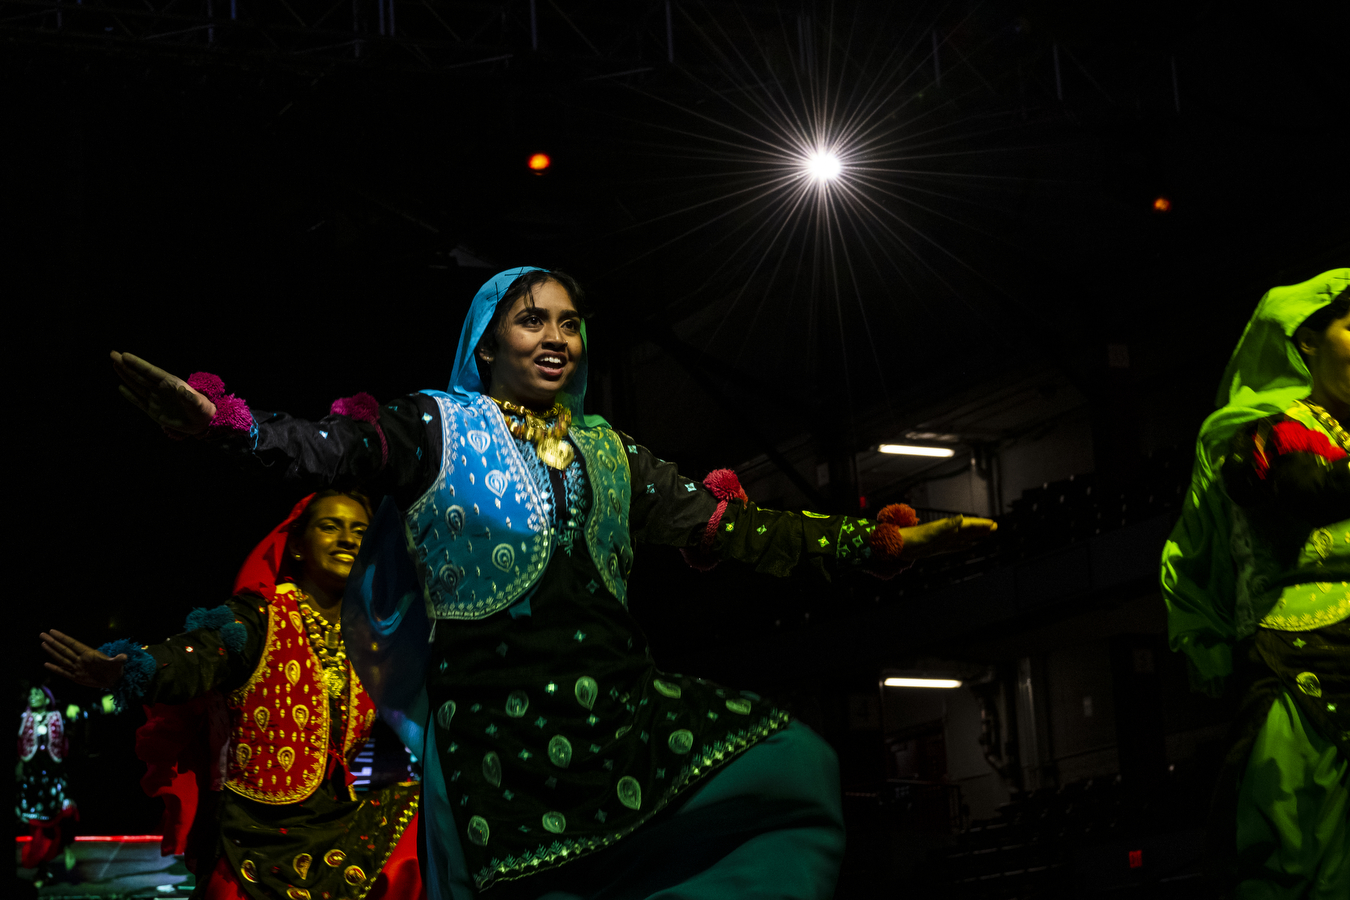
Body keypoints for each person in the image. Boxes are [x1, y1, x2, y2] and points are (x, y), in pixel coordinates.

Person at [106, 266, 997, 899]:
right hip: (501, 735)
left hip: (621, 713)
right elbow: (328, 448)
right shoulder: (437, 427)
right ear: (488, 342)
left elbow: (739, 532)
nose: (558, 339)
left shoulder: (612, 451)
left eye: (570, 324)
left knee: (797, 769)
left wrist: (878, 542)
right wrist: (227, 425)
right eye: (534, 321)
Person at [41, 490, 425, 900]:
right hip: (256, 835)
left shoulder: (373, 639)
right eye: (330, 527)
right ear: (297, 545)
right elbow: (196, 656)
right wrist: (129, 668)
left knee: (418, 819)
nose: (347, 539)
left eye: (360, 531)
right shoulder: (258, 617)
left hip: (337, 824)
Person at [1161, 267, 1349, 898]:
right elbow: (1302, 487)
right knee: (1289, 861)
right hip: (1302, 671)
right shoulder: (1263, 434)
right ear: (1307, 343)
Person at [17, 684, 79, 878]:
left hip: (54, 776)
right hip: (32, 779)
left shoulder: (58, 717)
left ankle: (65, 848)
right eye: (30, 694)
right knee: (38, 825)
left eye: (37, 693)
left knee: (60, 817)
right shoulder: (23, 719)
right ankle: (42, 867)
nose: (32, 696)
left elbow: (79, 717)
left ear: (46, 698)